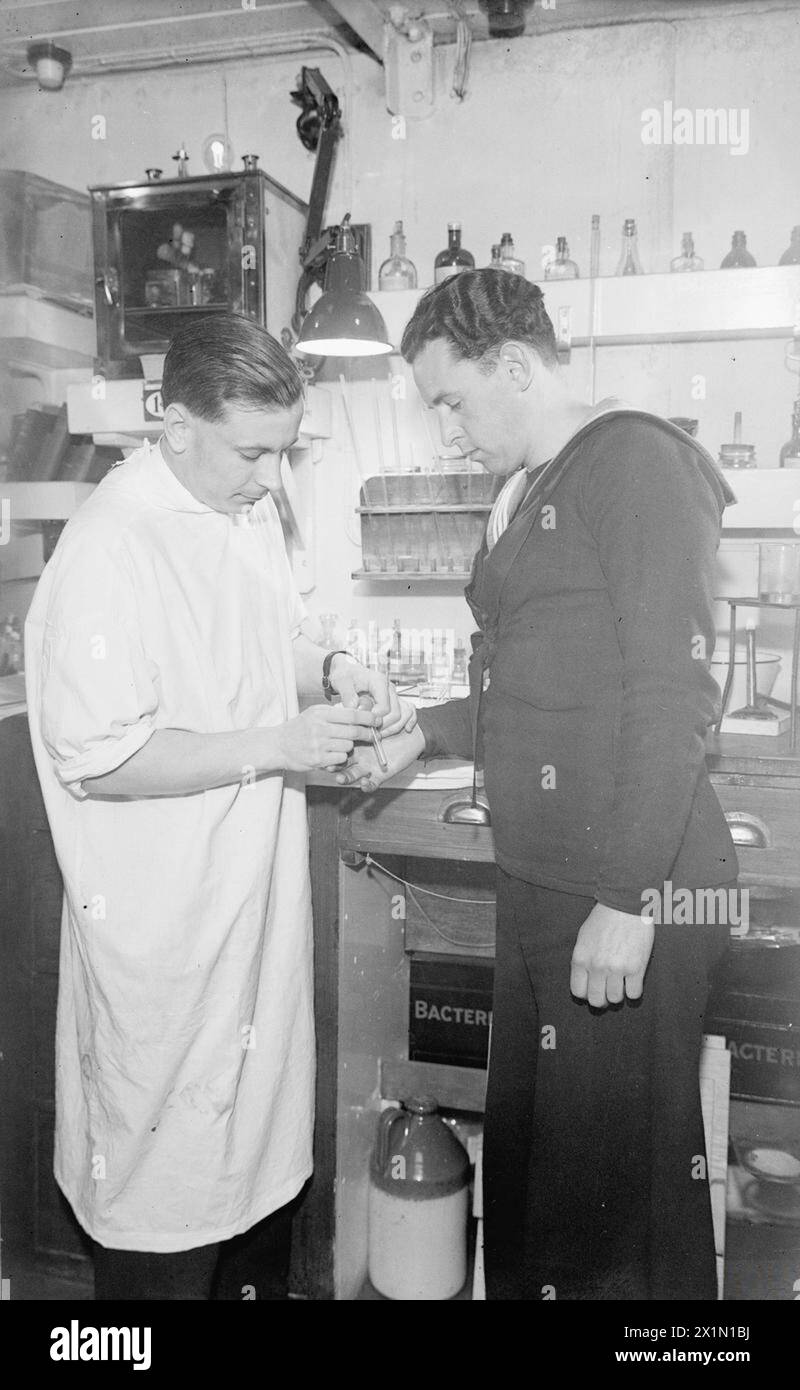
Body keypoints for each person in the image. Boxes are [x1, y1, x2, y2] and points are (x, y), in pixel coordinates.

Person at [338, 269, 740, 1301]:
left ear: (515, 367)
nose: (445, 431)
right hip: (541, 881)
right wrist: (415, 735)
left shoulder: (634, 464)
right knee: (536, 1180)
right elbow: (525, 687)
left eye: (451, 400)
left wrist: (626, 895)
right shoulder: (528, 488)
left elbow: (671, 691)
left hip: (622, 885)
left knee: (616, 1205)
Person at [24, 313, 411, 1300]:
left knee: (250, 1195)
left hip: (251, 918)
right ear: (175, 422)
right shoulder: (110, 548)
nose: (269, 476)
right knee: (162, 1211)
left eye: (282, 452)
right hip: (164, 932)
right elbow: (99, 760)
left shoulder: (241, 512)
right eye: (252, 451)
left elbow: (268, 639)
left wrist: (333, 668)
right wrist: (275, 747)